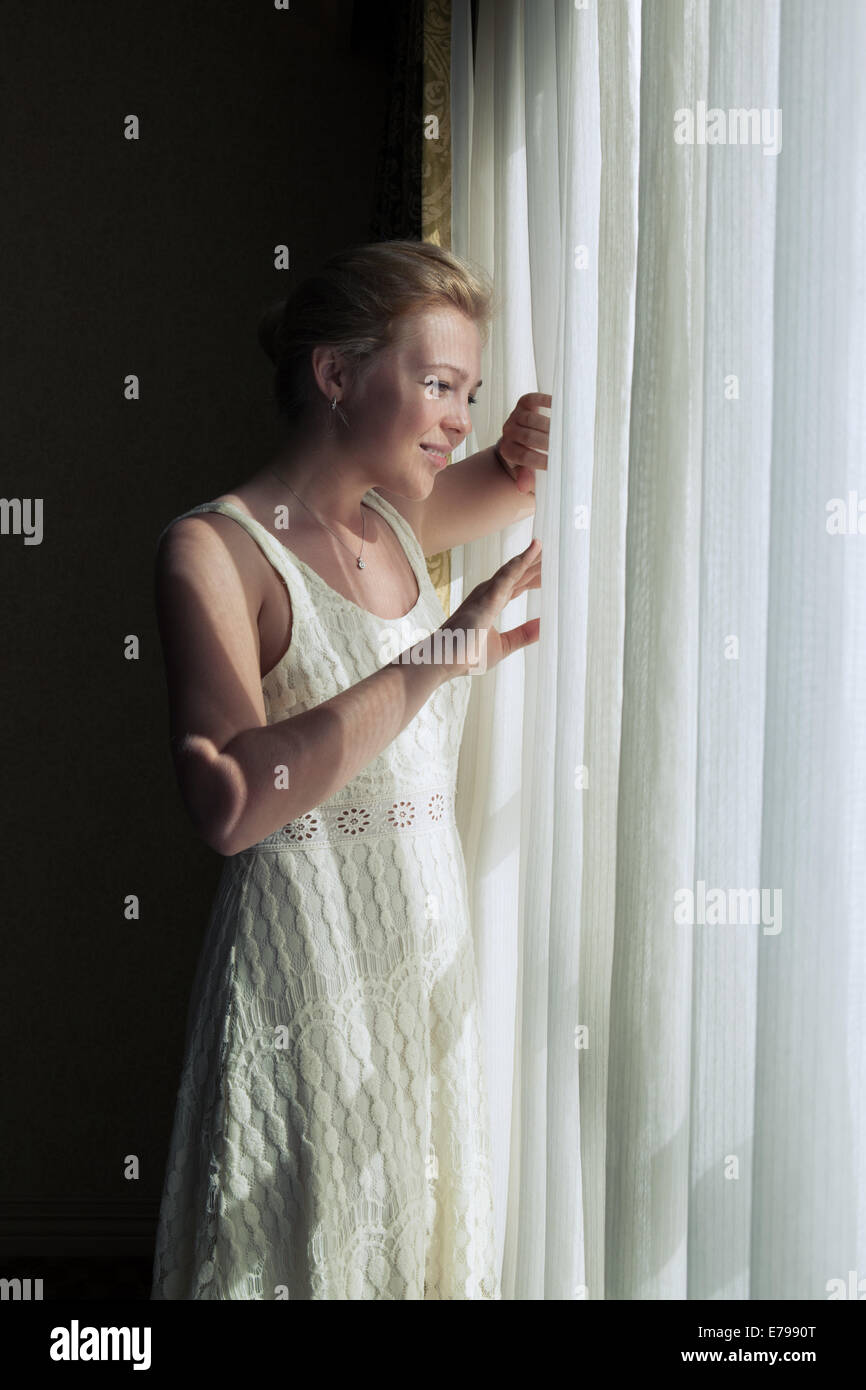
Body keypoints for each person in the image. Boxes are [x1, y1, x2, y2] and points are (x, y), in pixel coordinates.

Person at [149, 239, 547, 1300]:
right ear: (334, 374)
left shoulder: (392, 520)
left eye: (466, 389)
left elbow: (510, 486)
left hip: (422, 972)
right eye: (436, 384)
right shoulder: (215, 550)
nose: (457, 414)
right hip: (300, 983)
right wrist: (437, 655)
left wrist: (522, 452)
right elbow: (230, 804)